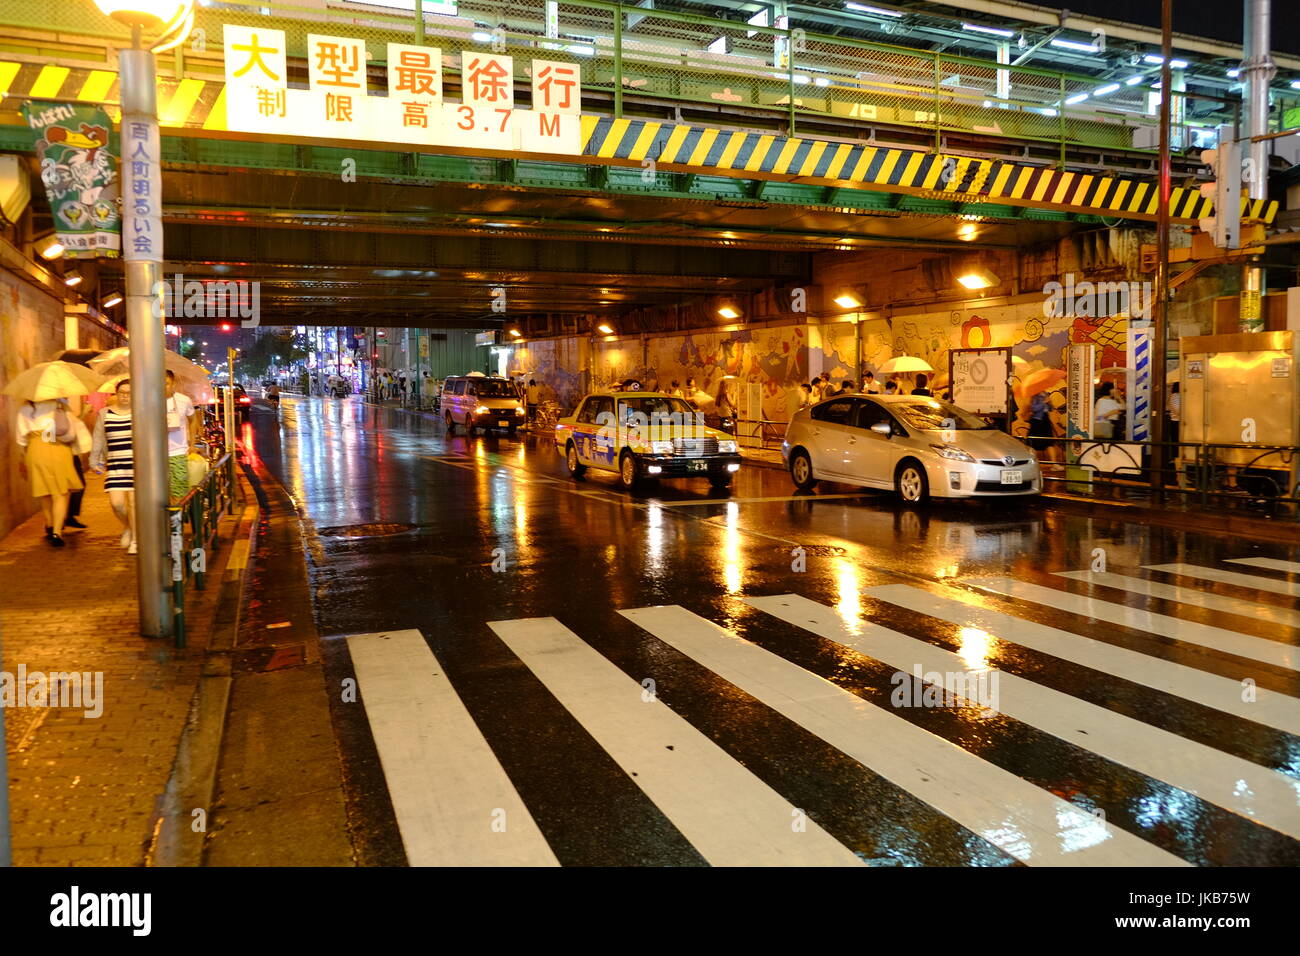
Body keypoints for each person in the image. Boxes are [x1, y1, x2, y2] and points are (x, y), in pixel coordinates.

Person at [16, 398, 84, 547]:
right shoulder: (59, 406)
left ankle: (49, 524)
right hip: (57, 447)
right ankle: (56, 532)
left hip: (35, 450)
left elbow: (21, 440)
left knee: (44, 491)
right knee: (60, 493)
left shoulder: (24, 409)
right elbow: (70, 431)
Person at [90, 378, 137, 554]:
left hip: (135, 464)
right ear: (116, 394)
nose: (125, 396)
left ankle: (135, 540)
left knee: (133, 503)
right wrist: (95, 461)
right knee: (117, 504)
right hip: (116, 463)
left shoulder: (140, 412)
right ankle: (128, 526)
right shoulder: (104, 413)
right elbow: (98, 438)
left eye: (129, 393)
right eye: (122, 393)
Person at [165, 370, 198, 502]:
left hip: (178, 452)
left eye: (166, 383)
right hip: (154, 455)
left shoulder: (183, 400)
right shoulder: (148, 400)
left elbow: (193, 420)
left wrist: (192, 444)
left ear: (173, 383)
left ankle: (177, 519)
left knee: (179, 492)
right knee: (159, 494)